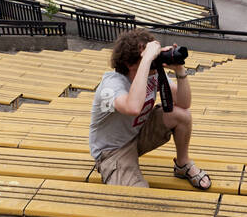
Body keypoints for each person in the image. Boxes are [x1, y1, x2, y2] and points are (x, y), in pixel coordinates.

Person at [89, 29, 211, 190]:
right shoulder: (110, 86)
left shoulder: (152, 73)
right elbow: (132, 107)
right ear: (129, 63)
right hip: (113, 150)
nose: (153, 60)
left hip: (138, 133)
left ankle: (183, 164)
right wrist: (146, 60)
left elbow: (184, 102)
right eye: (147, 56)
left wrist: (179, 70)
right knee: (138, 195)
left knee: (181, 115)